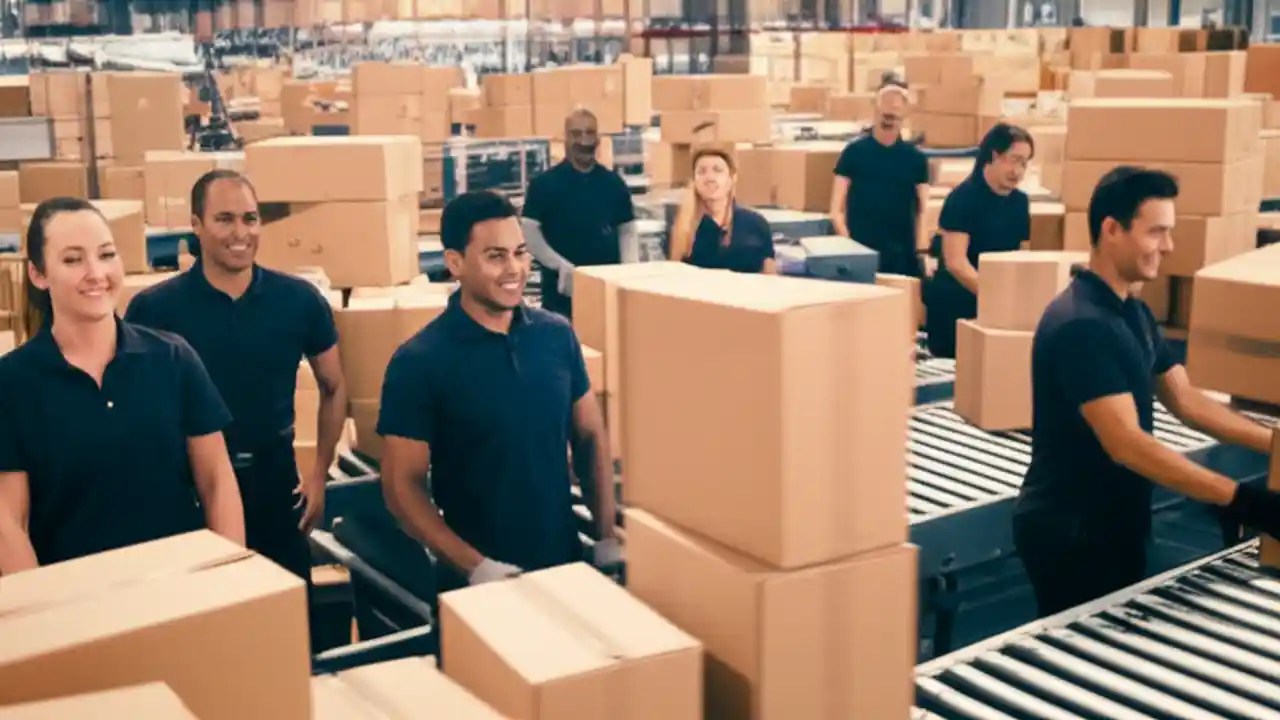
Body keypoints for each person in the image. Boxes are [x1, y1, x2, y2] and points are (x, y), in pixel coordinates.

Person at [1013, 167, 1280, 618]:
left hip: (1115, 522)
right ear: (1111, 229)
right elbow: (1128, 444)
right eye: (1156, 232)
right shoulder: (1082, 324)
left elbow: (1187, 401)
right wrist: (1242, 500)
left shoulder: (1131, 312)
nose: (1169, 247)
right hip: (1073, 532)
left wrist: (1274, 444)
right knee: (1085, 666)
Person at [377, 190, 619, 592]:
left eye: (520, 253)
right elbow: (402, 486)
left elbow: (590, 436)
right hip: (476, 587)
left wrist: (607, 533)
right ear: (455, 263)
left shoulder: (556, 337)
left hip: (565, 567)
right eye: (496, 256)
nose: (515, 269)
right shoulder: (419, 362)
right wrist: (474, 566)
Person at [0, 198, 245, 574]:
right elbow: (9, 522)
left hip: (182, 593)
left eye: (106, 254)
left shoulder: (172, 359)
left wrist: (230, 578)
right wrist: (44, 615)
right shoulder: (13, 384)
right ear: (38, 274)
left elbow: (216, 480)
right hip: (79, 607)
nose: (95, 272)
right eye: (72, 259)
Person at [125, 170, 347, 583]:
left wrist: (319, 472)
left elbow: (334, 386)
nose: (239, 232)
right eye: (224, 219)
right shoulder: (155, 311)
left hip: (275, 488)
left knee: (285, 618)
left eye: (250, 218)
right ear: (196, 225)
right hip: (189, 494)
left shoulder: (298, 301)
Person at [924, 123, 1033, 358]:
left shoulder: (1020, 203)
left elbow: (1022, 254)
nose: (1018, 170)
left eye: (1024, 163)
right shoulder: (964, 198)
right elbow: (956, 262)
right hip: (959, 305)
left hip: (999, 305)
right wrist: (994, 294)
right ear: (994, 156)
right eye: (1013, 160)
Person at [521, 107, 639, 318]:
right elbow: (530, 234)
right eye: (576, 133)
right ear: (565, 138)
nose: (584, 140)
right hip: (560, 298)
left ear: (598, 138)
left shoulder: (614, 184)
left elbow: (627, 232)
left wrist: (628, 275)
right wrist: (562, 267)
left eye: (589, 132)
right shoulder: (544, 185)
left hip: (607, 294)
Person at [830, 84, 931, 279]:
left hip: (903, 256)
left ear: (904, 116)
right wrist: (849, 247)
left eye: (895, 115)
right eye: (885, 113)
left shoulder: (916, 159)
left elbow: (923, 210)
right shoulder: (853, 153)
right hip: (862, 253)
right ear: (876, 111)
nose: (889, 120)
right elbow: (836, 209)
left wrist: (922, 253)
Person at [668, 147, 776, 274]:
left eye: (717, 170)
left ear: (732, 177)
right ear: (694, 180)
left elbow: (770, 275)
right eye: (702, 172)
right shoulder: (683, 226)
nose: (710, 178)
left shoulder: (755, 223)